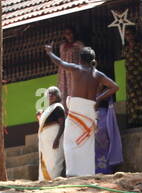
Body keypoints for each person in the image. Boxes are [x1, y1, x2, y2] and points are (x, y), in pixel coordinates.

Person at [44, 43, 117, 176]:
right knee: (87, 142)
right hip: (90, 109)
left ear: (80, 59)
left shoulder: (76, 68)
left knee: (69, 140)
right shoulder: (98, 74)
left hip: (77, 108)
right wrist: (99, 98)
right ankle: (87, 172)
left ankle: (73, 172)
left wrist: (49, 52)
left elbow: (59, 62)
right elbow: (114, 87)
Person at [122, 25, 142, 126]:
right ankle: (133, 121)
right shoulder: (125, 49)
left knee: (141, 97)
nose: (128, 36)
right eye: (126, 35)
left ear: (134, 35)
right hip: (130, 78)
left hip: (139, 76)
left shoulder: (140, 46)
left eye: (130, 34)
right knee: (132, 98)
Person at [38, 86, 66, 180]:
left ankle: (54, 180)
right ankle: (44, 180)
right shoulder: (48, 109)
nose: (51, 95)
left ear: (58, 96)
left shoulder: (58, 108)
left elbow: (62, 125)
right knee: (46, 161)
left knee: (54, 161)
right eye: (49, 94)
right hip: (45, 142)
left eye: (53, 94)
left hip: (54, 140)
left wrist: (57, 139)